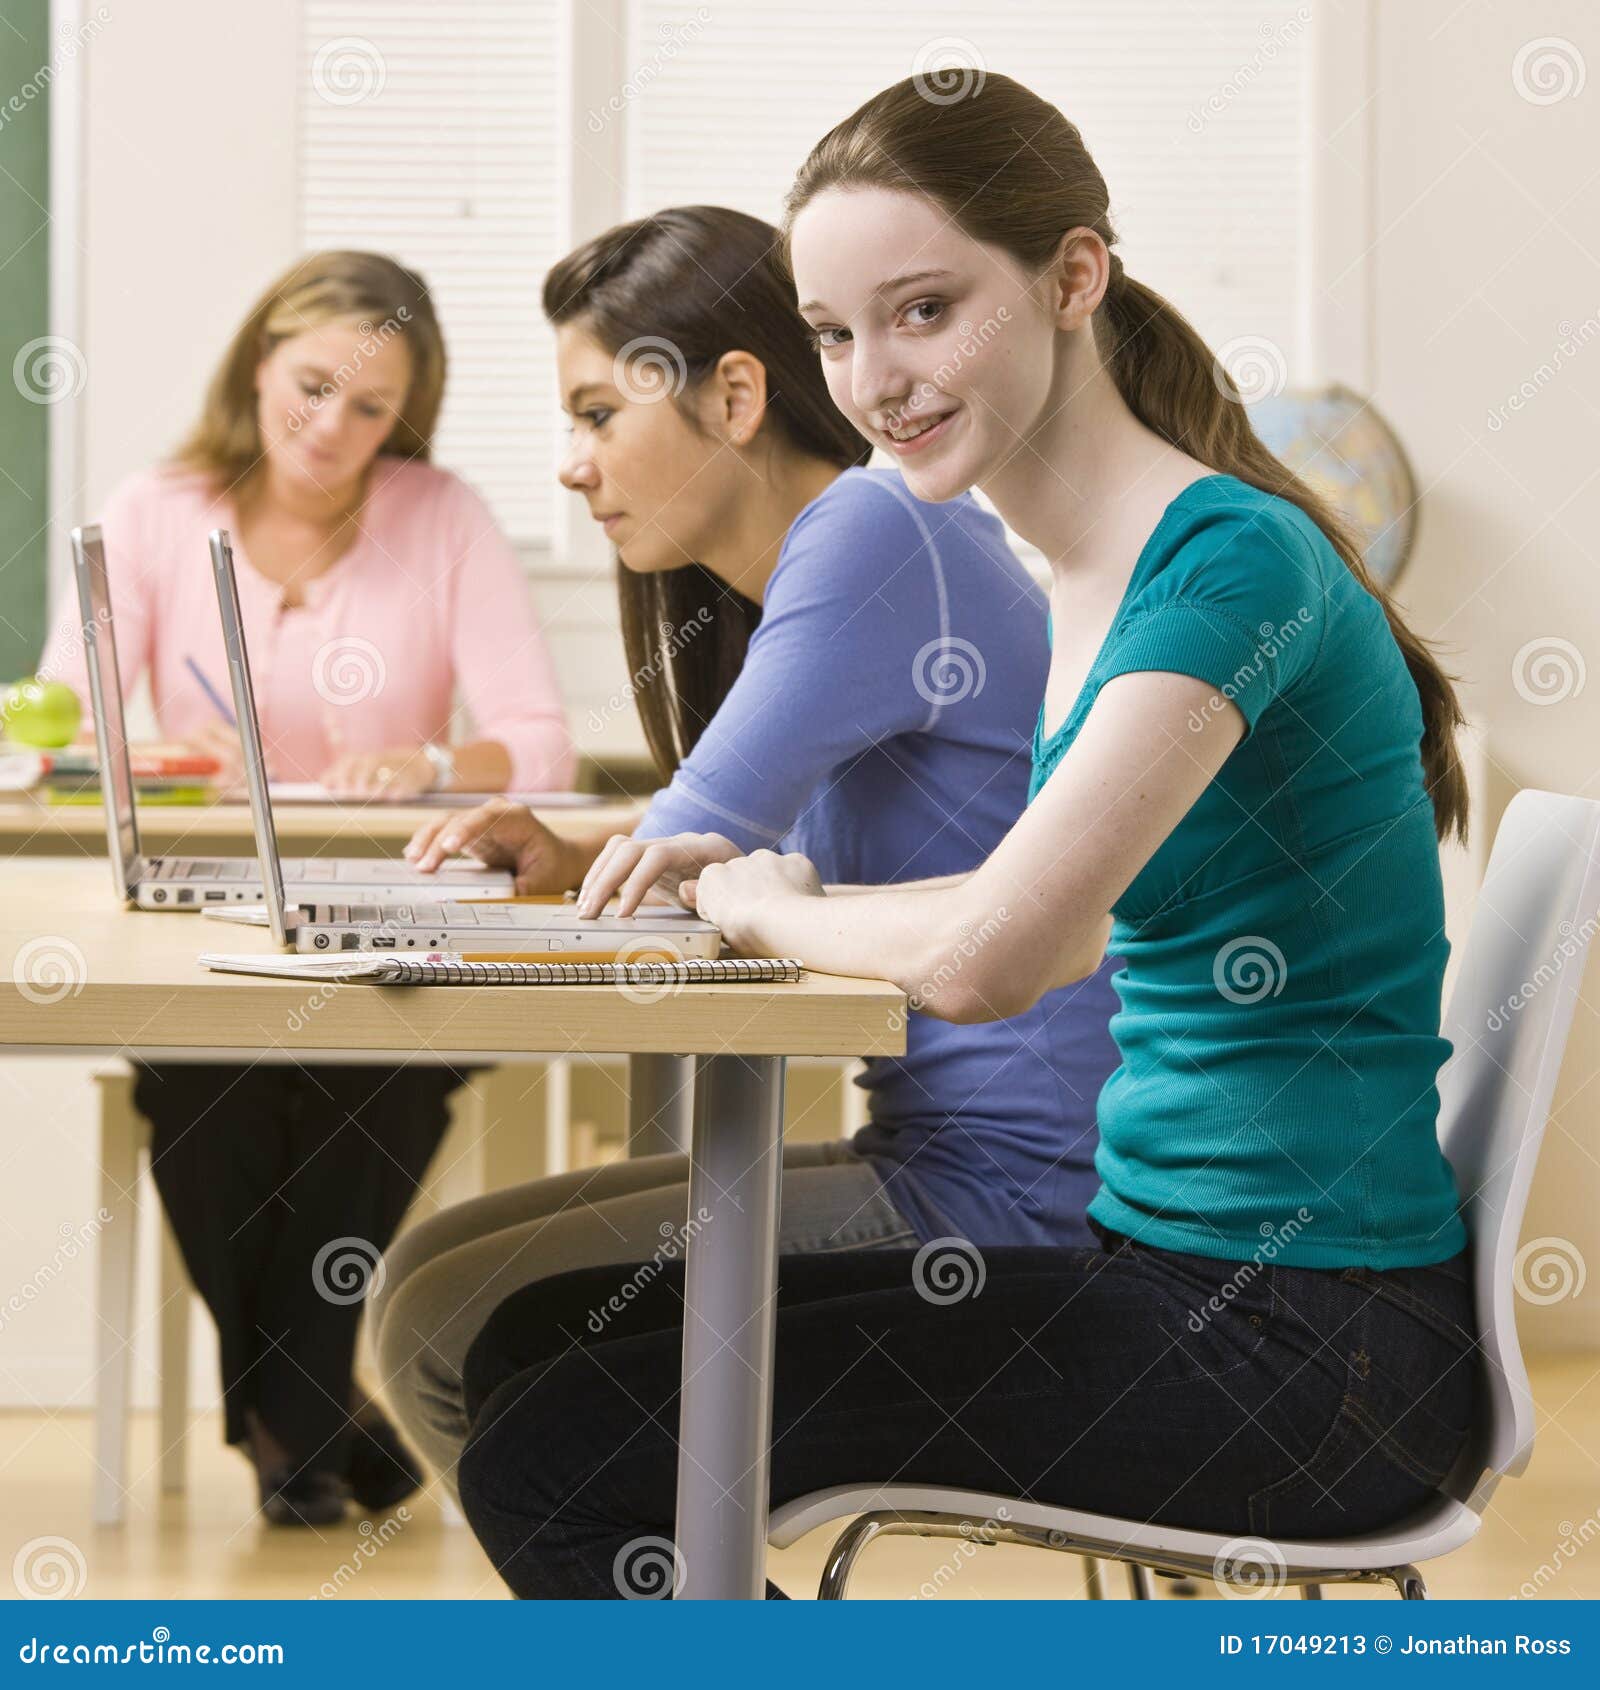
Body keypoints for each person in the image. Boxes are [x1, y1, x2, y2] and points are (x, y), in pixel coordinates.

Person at [451, 75, 1479, 1599]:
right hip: (1196, 1284)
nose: (873, 378)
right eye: (834, 332)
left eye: (925, 311)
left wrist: (765, 901)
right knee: (538, 1348)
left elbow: (1007, 950)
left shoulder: (1222, 568)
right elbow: (1009, 899)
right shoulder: (1084, 568)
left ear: (1074, 279)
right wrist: (771, 889)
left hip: (1308, 1354)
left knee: (560, 1447)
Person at [368, 205, 1123, 1492]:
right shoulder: (839, 559)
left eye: (598, 413)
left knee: (450, 1318)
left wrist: (626, 855)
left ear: (731, 396)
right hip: (958, 1161)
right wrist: (572, 851)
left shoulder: (878, 530)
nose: (571, 463)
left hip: (1013, 1200)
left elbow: (682, 863)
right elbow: (729, 840)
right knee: (424, 1290)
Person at [38, 250, 574, 1527]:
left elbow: (539, 745)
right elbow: (70, 740)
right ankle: (317, 1416)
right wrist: (176, 757)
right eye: (312, 386)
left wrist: (437, 761)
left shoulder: (437, 514)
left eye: (371, 407)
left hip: (395, 916)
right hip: (207, 918)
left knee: (366, 1073)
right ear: (258, 365)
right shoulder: (160, 508)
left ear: (406, 418)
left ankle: (293, 1422)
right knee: (209, 1083)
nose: (333, 427)